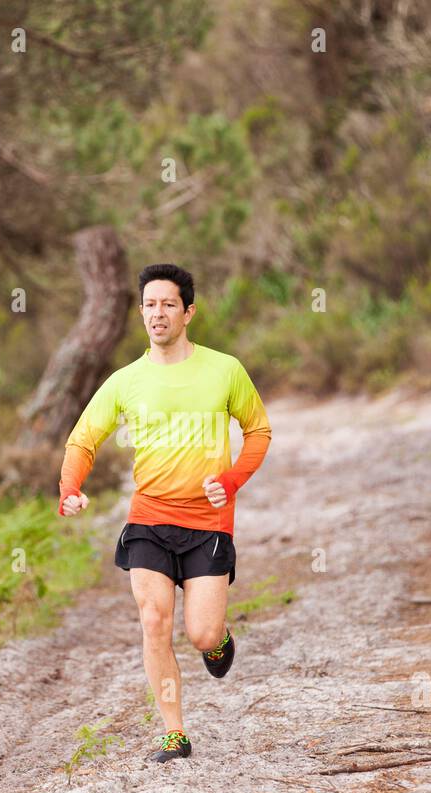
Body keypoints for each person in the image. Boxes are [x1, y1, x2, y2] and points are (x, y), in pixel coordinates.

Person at [57, 263, 272, 763]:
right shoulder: (126, 380)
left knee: (201, 633)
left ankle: (219, 641)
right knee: (154, 620)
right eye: (150, 304)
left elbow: (258, 431)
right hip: (150, 519)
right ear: (141, 312)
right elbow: (83, 440)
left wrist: (231, 480)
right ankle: (174, 732)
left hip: (208, 524)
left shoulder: (224, 369)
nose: (158, 313)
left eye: (168, 304)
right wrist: (71, 487)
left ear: (188, 312)